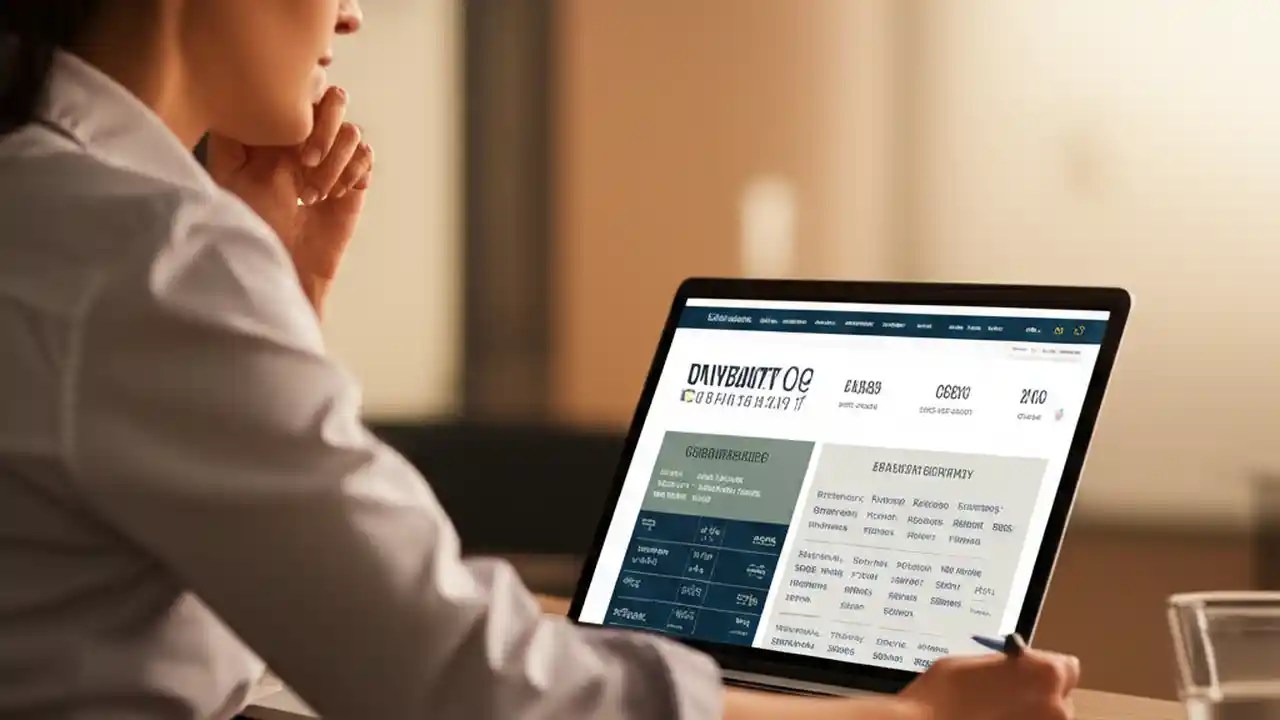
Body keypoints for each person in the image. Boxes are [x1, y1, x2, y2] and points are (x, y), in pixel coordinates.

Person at [0, 2, 1081, 719]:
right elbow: (454, 684)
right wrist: (910, 715)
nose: (351, 13)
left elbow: (237, 602)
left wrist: (278, 296)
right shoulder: (144, 251)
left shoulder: (62, 209)